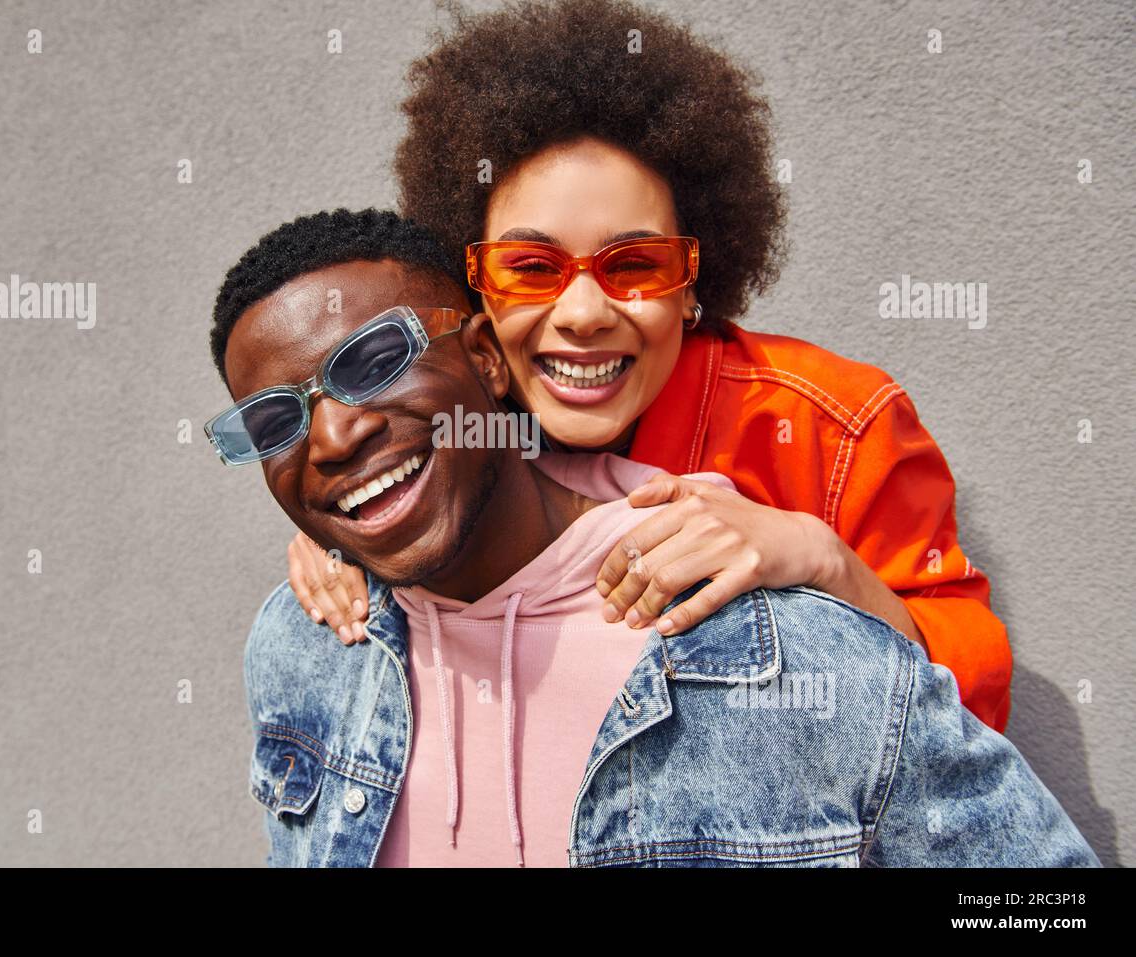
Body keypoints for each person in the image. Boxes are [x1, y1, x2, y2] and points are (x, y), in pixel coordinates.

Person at [206, 208, 1096, 867]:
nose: (330, 439)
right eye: (275, 420)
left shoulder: (773, 648)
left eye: (374, 362)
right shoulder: (304, 643)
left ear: (485, 358)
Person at [286, 0, 1013, 733]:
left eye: (635, 264)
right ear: (476, 292)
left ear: (694, 281)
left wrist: (824, 561)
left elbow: (973, 717)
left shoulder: (836, 425)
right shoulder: (463, 429)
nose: (582, 311)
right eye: (531, 267)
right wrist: (347, 537)